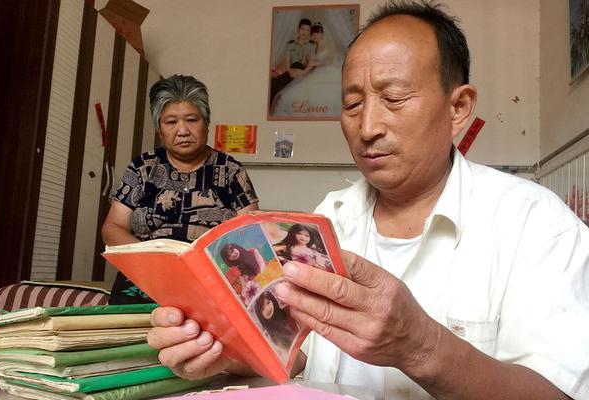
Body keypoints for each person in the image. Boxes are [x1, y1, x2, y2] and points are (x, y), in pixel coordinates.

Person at [147, 1, 589, 398]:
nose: (368, 126)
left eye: (394, 98)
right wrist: (224, 352)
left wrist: (422, 346)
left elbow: (561, 392)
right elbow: (298, 357)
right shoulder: (327, 219)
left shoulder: (535, 223)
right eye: (352, 104)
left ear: (458, 108)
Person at [102, 75, 259, 305]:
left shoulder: (231, 171)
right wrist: (151, 256)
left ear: (206, 123)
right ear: (159, 129)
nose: (183, 130)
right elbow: (112, 228)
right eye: (171, 122)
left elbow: (251, 233)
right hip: (147, 275)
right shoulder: (142, 168)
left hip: (210, 279)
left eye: (191, 120)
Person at [269, 18, 315, 109]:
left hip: (302, 72)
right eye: (302, 29)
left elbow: (310, 62)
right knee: (273, 84)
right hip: (291, 72)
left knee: (297, 64)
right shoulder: (291, 44)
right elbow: (287, 60)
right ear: (298, 29)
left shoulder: (311, 45)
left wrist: (302, 72)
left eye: (307, 30)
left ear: (310, 31)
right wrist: (289, 70)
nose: (304, 32)